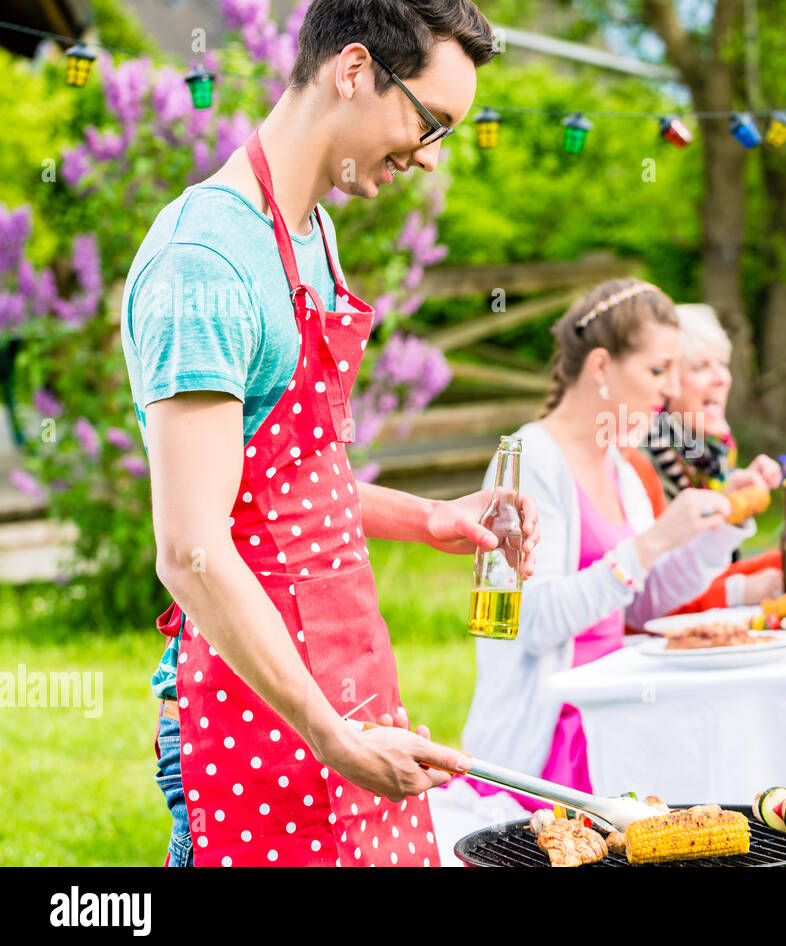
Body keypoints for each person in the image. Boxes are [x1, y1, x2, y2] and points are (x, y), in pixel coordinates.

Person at [122, 0, 540, 867]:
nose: (429, 159)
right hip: (253, 714)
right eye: (428, 123)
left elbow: (282, 484)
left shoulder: (315, 233)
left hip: (346, 688)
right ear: (354, 72)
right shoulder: (204, 264)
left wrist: (429, 518)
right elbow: (192, 549)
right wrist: (329, 734)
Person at [457, 280, 757, 815]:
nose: (669, 390)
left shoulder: (620, 470)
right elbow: (535, 622)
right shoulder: (531, 459)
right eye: (658, 370)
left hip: (614, 712)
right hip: (554, 737)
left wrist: (717, 530)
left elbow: (640, 605)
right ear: (600, 368)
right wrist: (651, 544)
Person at [624, 304, 783, 613]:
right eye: (700, 367)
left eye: (722, 363)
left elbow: (715, 566)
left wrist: (734, 501)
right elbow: (649, 593)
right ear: (665, 382)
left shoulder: (709, 455)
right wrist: (738, 590)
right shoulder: (637, 460)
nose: (722, 378)